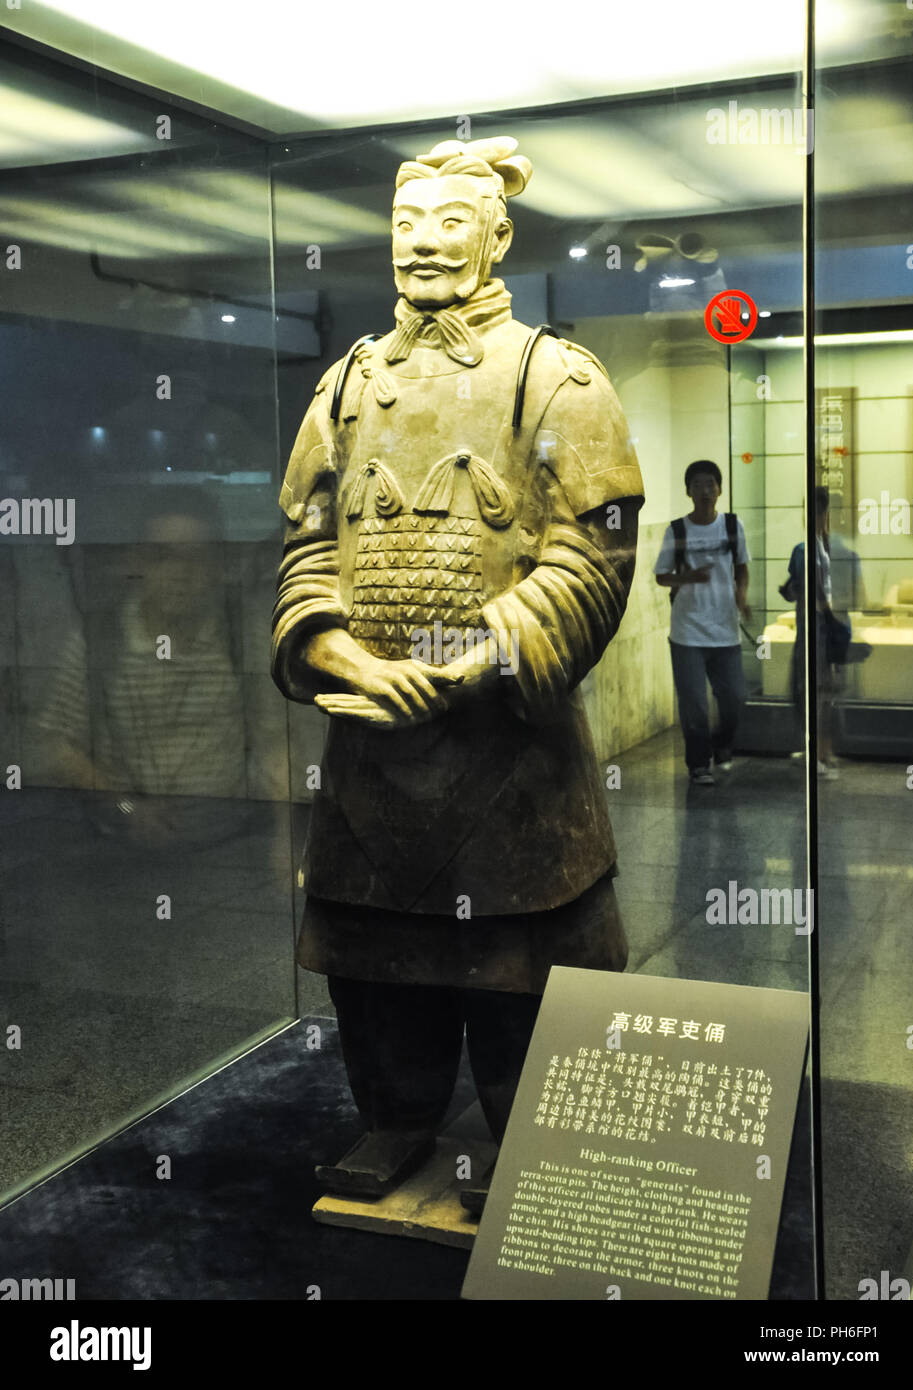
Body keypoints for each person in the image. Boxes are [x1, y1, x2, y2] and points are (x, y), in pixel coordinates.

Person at [271, 136, 645, 1201]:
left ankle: (522, 1139)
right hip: (369, 746)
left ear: (497, 235)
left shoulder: (553, 375)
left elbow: (594, 548)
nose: (424, 244)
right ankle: (393, 1121)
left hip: (508, 751)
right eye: (406, 224)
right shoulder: (347, 383)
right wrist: (334, 646)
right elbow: (303, 542)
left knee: (518, 960)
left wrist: (480, 652)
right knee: (374, 956)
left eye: (448, 223)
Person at [654, 459, 751, 785]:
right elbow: (661, 577)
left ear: (720, 489)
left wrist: (742, 597)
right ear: (688, 491)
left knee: (735, 699)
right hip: (687, 633)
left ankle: (723, 744)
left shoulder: (733, 526)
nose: (705, 490)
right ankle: (699, 764)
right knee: (694, 706)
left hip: (726, 632)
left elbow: (742, 569)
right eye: (698, 485)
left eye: (711, 484)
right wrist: (689, 576)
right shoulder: (677, 530)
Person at [783, 487, 838, 778]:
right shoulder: (810, 547)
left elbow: (807, 587)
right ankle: (817, 751)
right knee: (814, 690)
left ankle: (818, 751)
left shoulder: (813, 545)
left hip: (814, 629)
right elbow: (809, 587)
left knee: (812, 690)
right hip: (815, 628)